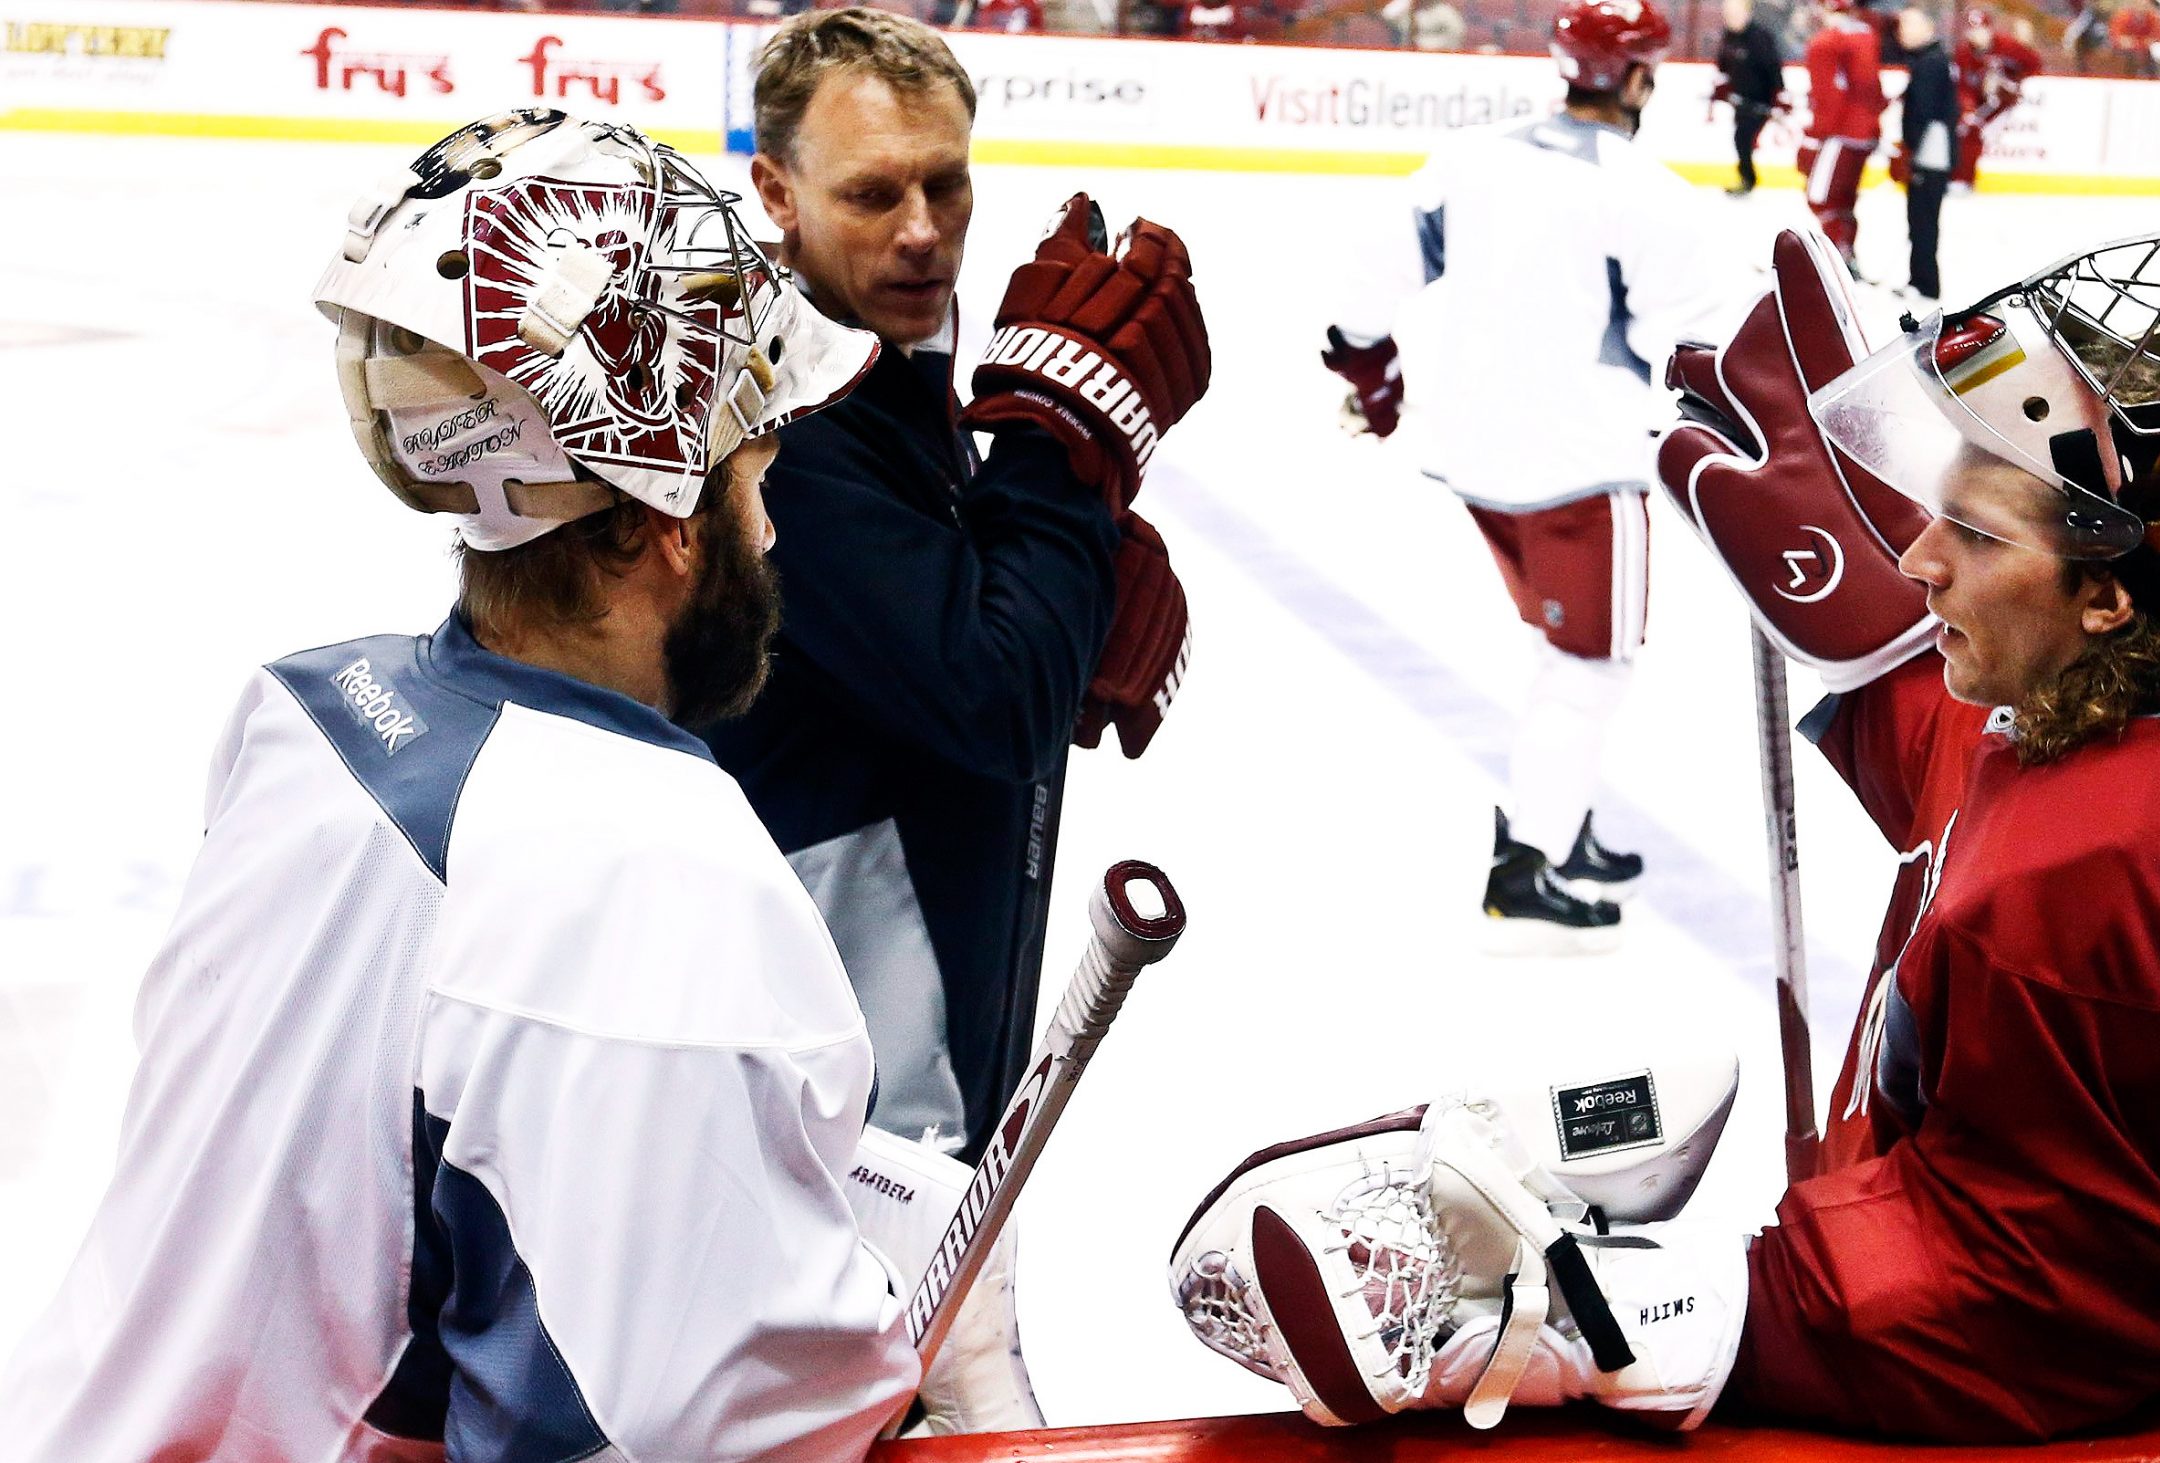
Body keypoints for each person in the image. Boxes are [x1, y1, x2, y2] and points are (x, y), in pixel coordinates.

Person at [1177, 222, 2160, 1443]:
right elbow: (2007, 787)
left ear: (2115, 596)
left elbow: (2056, 1299)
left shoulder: (2128, 871)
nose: (1913, 558)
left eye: (1969, 528)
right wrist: (1888, 658)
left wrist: (1665, 1314)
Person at [0, 110, 940, 1458]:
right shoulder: (647, 867)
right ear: (672, 522)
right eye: (755, 471)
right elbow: (692, 1426)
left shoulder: (311, 709)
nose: (772, 525)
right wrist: (887, 1318)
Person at [729, 6, 1204, 1162]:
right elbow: (996, 702)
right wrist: (1052, 461)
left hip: (915, 1034)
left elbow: (966, 658)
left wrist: (1057, 558)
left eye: (947, 186)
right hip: (860, 1102)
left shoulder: (883, 372)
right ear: (779, 195)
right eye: (873, 194)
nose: (923, 234)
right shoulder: (785, 422)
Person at [1319, 0, 1735, 953]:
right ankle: (1530, 866)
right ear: (1635, 79)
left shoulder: (1472, 158)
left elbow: (1364, 282)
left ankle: (1562, 812)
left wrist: (1369, 374)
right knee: (1590, 667)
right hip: (1587, 465)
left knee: (1559, 653)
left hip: (1474, 458)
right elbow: (1692, 348)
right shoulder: (1653, 196)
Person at [1799, 0, 1885, 276]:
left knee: (1821, 198)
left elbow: (1828, 97)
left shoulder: (1825, 42)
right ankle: (1846, 253)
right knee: (1844, 199)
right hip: (1863, 134)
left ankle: (1837, 257)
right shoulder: (1867, 35)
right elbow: (1873, 89)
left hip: (1839, 134)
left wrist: (1814, 137)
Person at [1890, 7, 1958, 305]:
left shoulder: (1930, 63)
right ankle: (1920, 280)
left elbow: (1924, 111)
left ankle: (1925, 284)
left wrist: (1909, 150)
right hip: (1930, 155)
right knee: (1920, 218)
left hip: (1929, 158)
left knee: (1923, 219)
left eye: (1909, 25)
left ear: (1928, 28)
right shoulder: (1929, 60)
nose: (1902, 31)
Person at [1951, 8, 2041, 188]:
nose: (1978, 35)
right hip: (1979, 102)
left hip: (2004, 102)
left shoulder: (2008, 46)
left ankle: (1964, 179)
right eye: (1972, 30)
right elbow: (1962, 85)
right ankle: (1960, 178)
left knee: (1972, 129)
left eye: (1982, 29)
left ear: (1989, 28)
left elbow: (2035, 65)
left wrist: (2014, 82)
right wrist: (1967, 107)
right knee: (1965, 128)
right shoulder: (1963, 53)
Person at [1713, 0, 1786, 196]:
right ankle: (1747, 177)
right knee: (1740, 139)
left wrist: (1778, 98)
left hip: (1760, 103)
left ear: (1747, 13)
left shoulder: (1760, 38)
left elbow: (1773, 69)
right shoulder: (1729, 37)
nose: (1730, 17)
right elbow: (1724, 67)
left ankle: (1748, 179)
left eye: (1735, 12)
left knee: (1742, 138)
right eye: (1728, 13)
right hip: (1740, 102)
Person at [2107, 0, 2160, 75]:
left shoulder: (2154, 18)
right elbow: (2115, 35)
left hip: (2146, 50)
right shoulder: (2123, 16)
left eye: (2145, 4)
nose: (2142, 6)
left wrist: (2140, 42)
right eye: (2140, 3)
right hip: (2126, 51)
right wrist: (2123, 41)